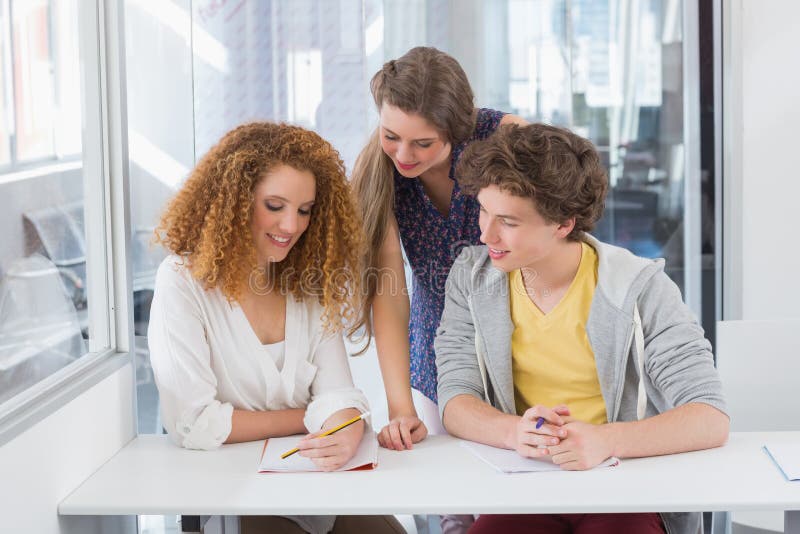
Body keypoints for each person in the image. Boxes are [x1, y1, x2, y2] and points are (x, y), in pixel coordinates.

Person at [434, 123, 729, 534]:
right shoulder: (471, 278)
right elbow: (454, 398)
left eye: (509, 221)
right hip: (524, 486)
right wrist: (513, 431)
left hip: (623, 486)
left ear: (563, 224)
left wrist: (607, 440)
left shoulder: (639, 286)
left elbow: (708, 417)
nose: (486, 234)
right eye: (483, 211)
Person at [148, 122, 403, 534]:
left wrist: (345, 426)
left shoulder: (307, 280)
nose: (291, 226)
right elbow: (194, 422)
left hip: (319, 483)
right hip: (236, 492)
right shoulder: (182, 282)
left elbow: (337, 392)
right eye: (274, 205)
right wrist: (308, 418)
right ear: (234, 201)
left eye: (304, 211)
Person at [350, 46, 527, 453]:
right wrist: (400, 410)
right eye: (390, 136)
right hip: (438, 345)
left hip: (518, 332)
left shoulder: (505, 138)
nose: (403, 155)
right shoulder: (380, 176)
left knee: (520, 478)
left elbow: (549, 239)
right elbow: (390, 296)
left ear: (457, 132)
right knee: (452, 498)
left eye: (423, 143)